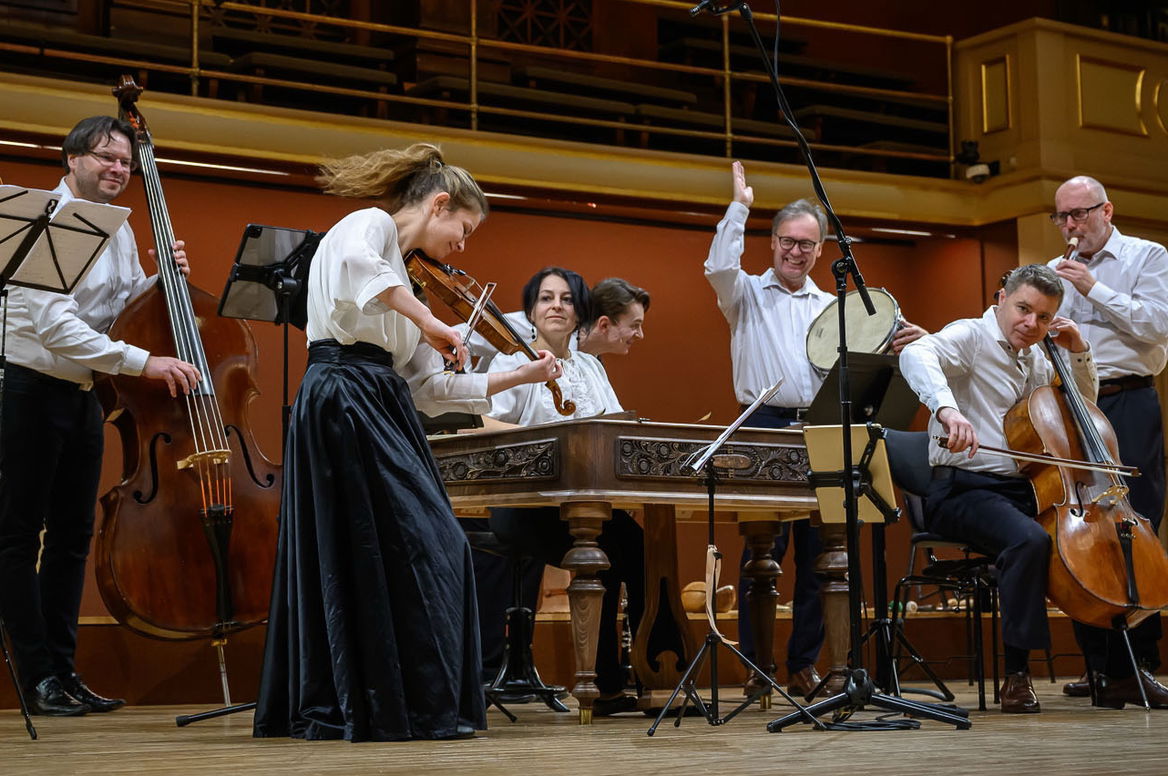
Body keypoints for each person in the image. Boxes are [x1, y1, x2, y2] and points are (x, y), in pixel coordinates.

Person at [252, 143, 559, 743]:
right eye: (463, 229)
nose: (463, 247)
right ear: (439, 205)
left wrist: (519, 375)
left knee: (399, 548)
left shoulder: (406, 277)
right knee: (429, 542)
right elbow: (364, 269)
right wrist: (430, 320)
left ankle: (398, 700)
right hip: (342, 394)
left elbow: (432, 384)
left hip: (380, 399)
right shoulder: (367, 226)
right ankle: (377, 700)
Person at [0, 116, 200, 716]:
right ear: (72, 159)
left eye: (125, 162)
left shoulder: (116, 228)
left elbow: (119, 306)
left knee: (70, 540)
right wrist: (144, 363)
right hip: (26, 388)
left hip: (82, 394)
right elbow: (55, 326)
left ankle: (63, 673)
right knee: (14, 538)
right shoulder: (42, 222)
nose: (119, 168)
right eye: (106, 157)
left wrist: (161, 280)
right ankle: (36, 678)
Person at [704, 161, 925, 698]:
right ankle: (758, 667)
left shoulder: (835, 306)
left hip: (825, 425)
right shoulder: (745, 294)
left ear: (821, 249)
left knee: (822, 553)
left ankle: (802, 663)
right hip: (764, 423)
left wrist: (913, 341)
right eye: (786, 241)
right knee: (763, 552)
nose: (795, 251)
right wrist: (739, 208)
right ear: (772, 241)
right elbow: (716, 267)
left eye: (806, 244)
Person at [900, 264, 1096, 713]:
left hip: (1021, 489)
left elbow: (1082, 409)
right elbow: (917, 355)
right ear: (1001, 298)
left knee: (1084, 544)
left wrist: (1079, 353)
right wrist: (947, 411)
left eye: (1044, 317)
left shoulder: (1038, 356)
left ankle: (1110, 670)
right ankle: (1018, 673)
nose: (1031, 323)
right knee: (1029, 540)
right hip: (962, 491)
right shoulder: (970, 336)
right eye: (1024, 309)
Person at [482, 267, 652, 716]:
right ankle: (595, 686)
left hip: (583, 506)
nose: (555, 305)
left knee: (640, 547)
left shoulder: (590, 366)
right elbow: (482, 423)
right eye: (544, 298)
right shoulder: (509, 361)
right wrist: (548, 444)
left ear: (580, 312)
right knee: (601, 548)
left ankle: (653, 676)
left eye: (565, 298)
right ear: (533, 311)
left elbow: (614, 427)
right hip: (526, 504)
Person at [1046, 175, 1168, 709]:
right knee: (1081, 533)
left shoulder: (1147, 256)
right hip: (1073, 407)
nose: (1070, 227)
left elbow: (1159, 324)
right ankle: (1098, 667)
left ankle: (1138, 665)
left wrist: (1095, 289)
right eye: (1062, 218)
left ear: (1107, 211)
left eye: (1079, 215)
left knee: (1136, 524)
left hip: (1129, 400)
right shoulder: (1053, 272)